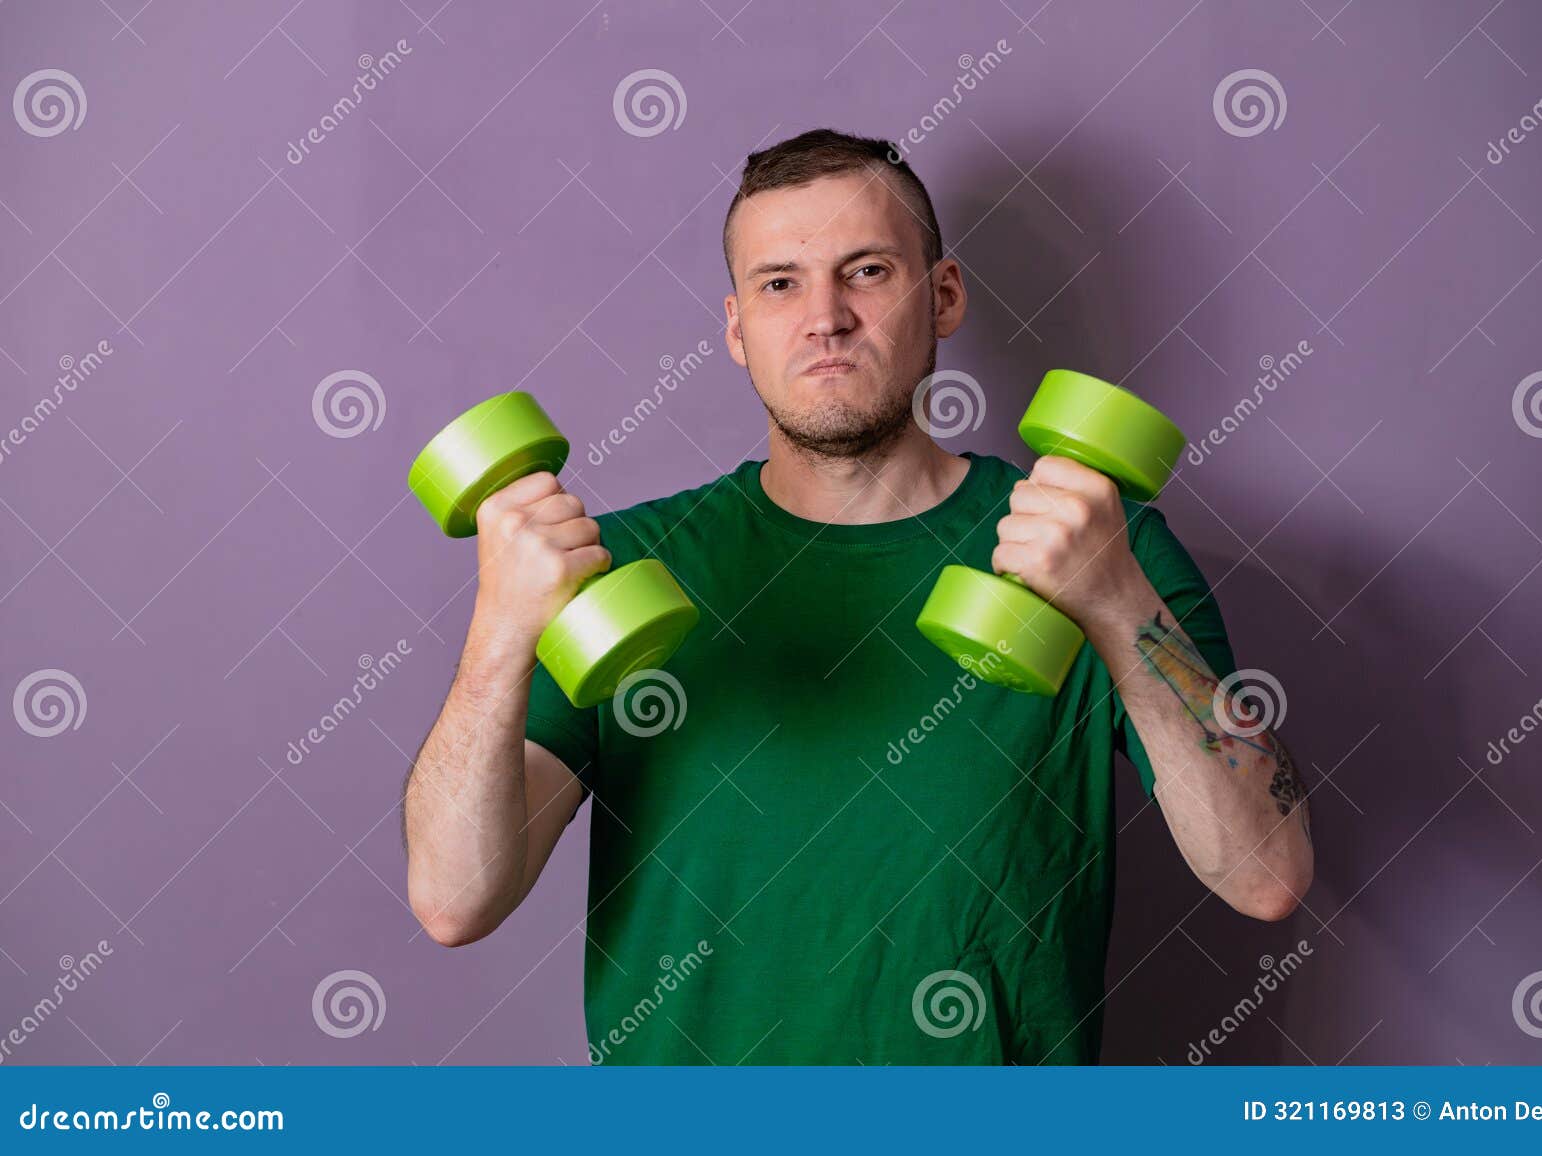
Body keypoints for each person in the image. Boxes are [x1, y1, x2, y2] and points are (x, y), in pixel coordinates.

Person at [402, 127, 1313, 1065]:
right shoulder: (629, 565)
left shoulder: (1098, 549)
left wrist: (1120, 606)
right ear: (735, 327)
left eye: (867, 271)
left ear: (944, 294)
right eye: (780, 283)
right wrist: (500, 634)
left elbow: (1266, 876)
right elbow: (453, 899)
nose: (825, 316)